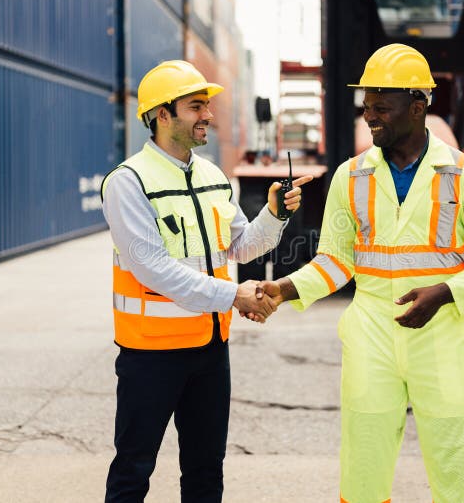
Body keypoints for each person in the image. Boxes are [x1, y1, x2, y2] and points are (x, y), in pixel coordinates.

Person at [256, 44, 464, 503]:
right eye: (366, 106)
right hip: (371, 335)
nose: (369, 116)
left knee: (459, 469)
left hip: (442, 339)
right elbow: (336, 260)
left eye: (381, 107)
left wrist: (447, 292)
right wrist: (283, 287)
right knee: (363, 470)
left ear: (418, 108)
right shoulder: (350, 177)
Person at [101, 59, 312, 502]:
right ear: (163, 114)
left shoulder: (213, 175)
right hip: (151, 354)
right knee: (133, 470)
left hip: (210, 351)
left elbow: (241, 247)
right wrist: (234, 295)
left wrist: (275, 214)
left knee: (204, 471)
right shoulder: (128, 182)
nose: (208, 116)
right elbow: (153, 268)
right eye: (196, 106)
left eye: (208, 106)